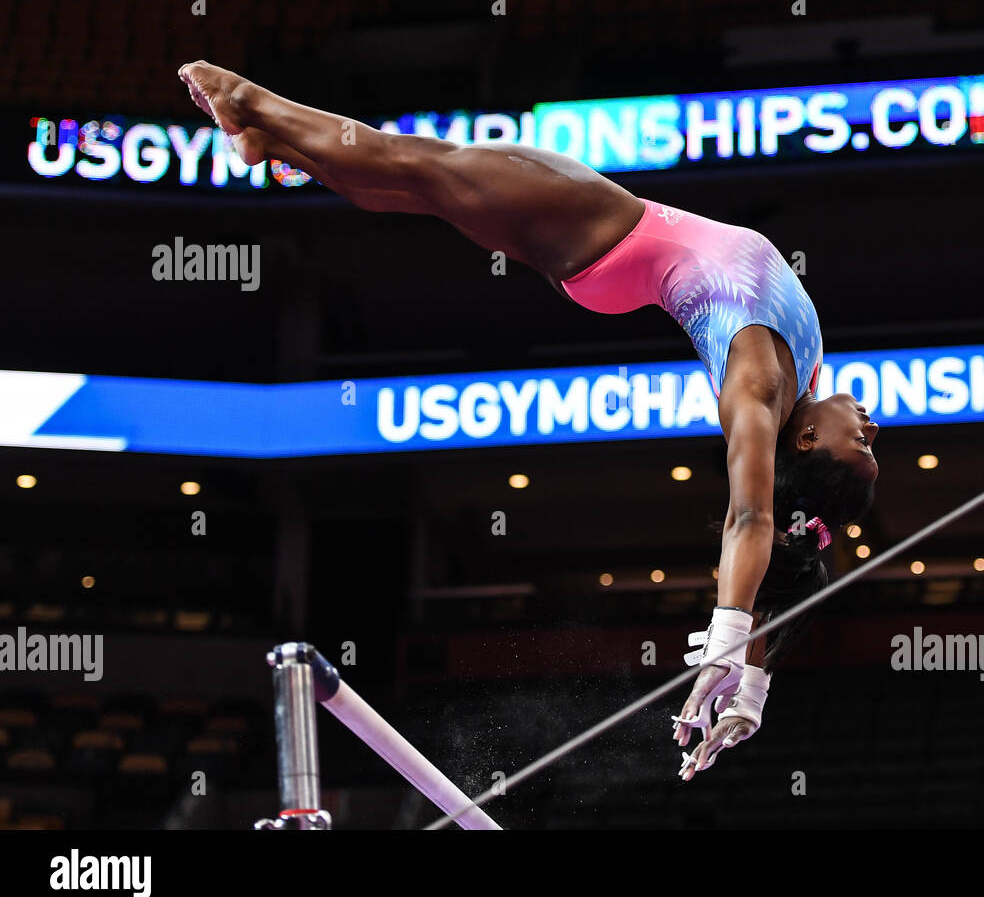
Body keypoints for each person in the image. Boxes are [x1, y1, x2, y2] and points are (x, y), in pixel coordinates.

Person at [177, 61, 879, 781]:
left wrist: (728, 631)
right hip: (607, 252)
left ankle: (248, 99)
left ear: (804, 440)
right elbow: (790, 550)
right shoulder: (799, 380)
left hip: (609, 235)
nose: (871, 427)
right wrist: (753, 684)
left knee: (421, 162)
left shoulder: (758, 386)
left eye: (859, 442)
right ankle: (277, 145)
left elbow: (751, 520)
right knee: (422, 188)